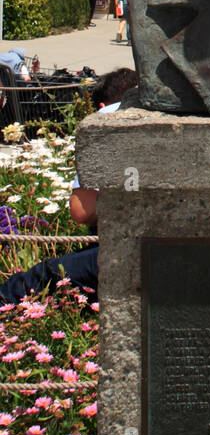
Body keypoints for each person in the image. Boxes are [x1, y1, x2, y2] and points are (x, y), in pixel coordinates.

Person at [0, 68, 136, 305]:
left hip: (126, 249)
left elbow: (81, 210)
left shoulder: (107, 119)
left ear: (102, 104)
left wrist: (127, 194)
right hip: (187, 247)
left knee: (43, 277)